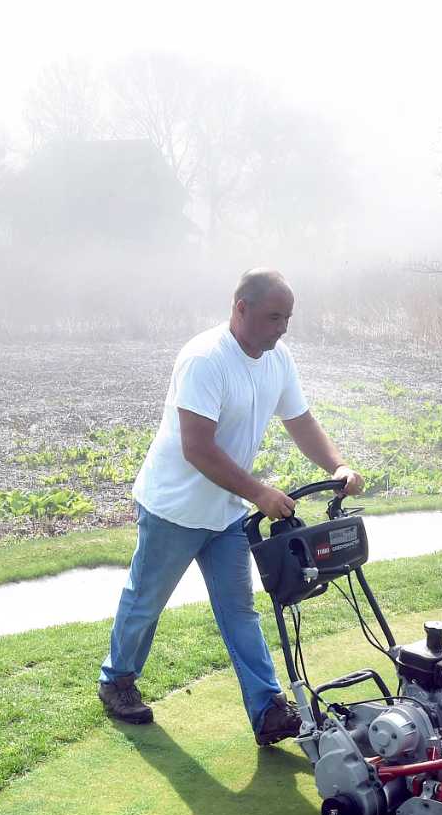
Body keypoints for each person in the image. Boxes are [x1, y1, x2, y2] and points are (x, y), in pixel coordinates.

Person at [98, 268, 364, 744]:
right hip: (173, 510)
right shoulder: (205, 360)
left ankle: (267, 711)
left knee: (239, 610)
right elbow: (197, 447)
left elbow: (300, 420)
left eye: (288, 318)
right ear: (240, 308)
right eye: (273, 317)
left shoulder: (277, 358)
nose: (282, 327)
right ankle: (116, 680)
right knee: (146, 601)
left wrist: (337, 467)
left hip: (224, 513)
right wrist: (259, 493)